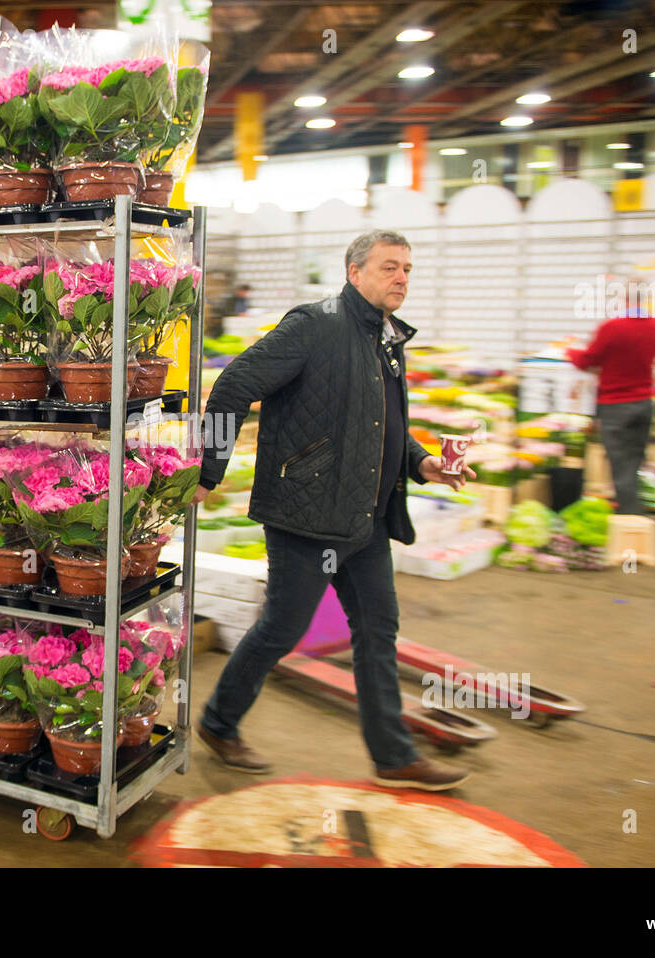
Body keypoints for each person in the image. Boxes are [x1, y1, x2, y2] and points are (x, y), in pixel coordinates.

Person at [193, 229, 474, 791]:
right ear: (354, 272)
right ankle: (219, 723)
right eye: (390, 267)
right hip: (308, 516)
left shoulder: (386, 337)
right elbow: (231, 387)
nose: (402, 278)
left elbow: (384, 423)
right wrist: (208, 471)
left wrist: (422, 464)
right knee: (282, 629)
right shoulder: (314, 325)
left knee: (378, 629)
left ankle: (394, 757)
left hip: (366, 519)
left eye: (408, 269)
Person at [566, 275, 655, 516]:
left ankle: (630, 519)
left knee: (620, 466)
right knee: (633, 463)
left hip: (615, 406)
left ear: (625, 298)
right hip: (644, 404)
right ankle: (631, 511)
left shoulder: (612, 328)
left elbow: (588, 360)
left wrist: (569, 351)